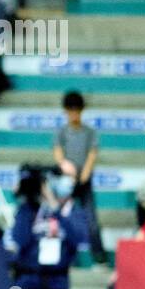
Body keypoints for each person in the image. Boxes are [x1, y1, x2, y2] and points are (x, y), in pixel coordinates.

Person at [3, 164, 86, 289]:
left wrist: (55, 209)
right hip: (24, 284)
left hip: (57, 284)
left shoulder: (73, 211)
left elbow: (78, 239)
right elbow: (20, 240)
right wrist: (27, 205)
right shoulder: (27, 210)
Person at [53, 91, 106, 263]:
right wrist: (66, 168)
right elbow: (58, 153)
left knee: (91, 219)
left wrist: (84, 175)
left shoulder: (89, 132)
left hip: (84, 181)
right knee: (62, 219)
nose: (74, 114)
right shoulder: (61, 132)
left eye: (77, 110)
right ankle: (65, 256)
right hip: (66, 182)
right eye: (70, 111)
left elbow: (92, 154)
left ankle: (99, 256)